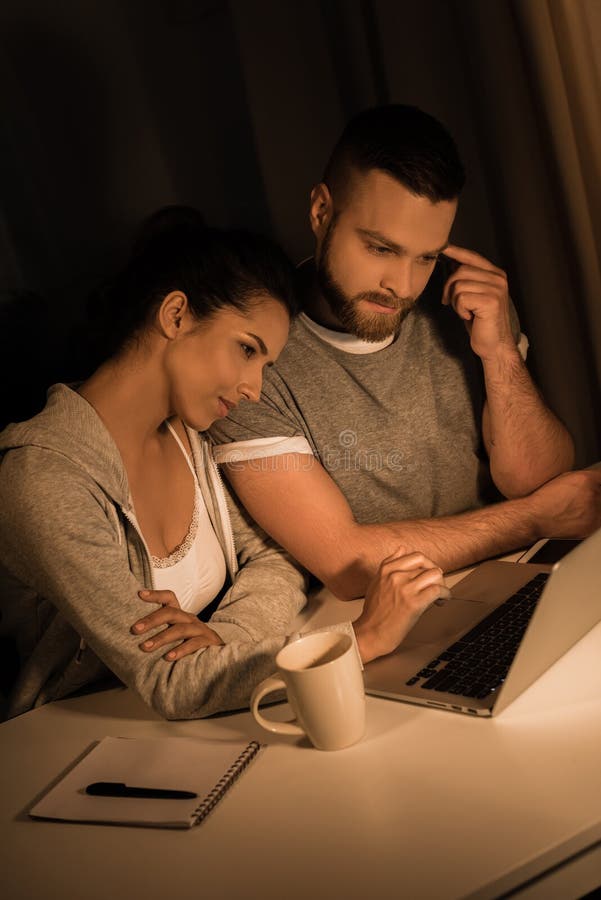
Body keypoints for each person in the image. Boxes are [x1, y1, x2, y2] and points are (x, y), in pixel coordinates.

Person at [0, 210, 449, 721]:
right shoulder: (42, 479)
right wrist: (360, 641)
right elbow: (172, 683)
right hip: (70, 751)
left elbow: (276, 560)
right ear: (175, 316)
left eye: (265, 366)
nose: (253, 389)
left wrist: (224, 642)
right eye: (246, 350)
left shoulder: (190, 431)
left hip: (203, 725)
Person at [210, 105, 601, 600]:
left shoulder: (466, 304)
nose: (401, 285)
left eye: (427, 257)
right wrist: (533, 519)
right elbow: (347, 564)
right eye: (380, 249)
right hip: (393, 620)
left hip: (527, 578)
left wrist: (500, 353)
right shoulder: (253, 356)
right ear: (320, 212)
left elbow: (543, 480)